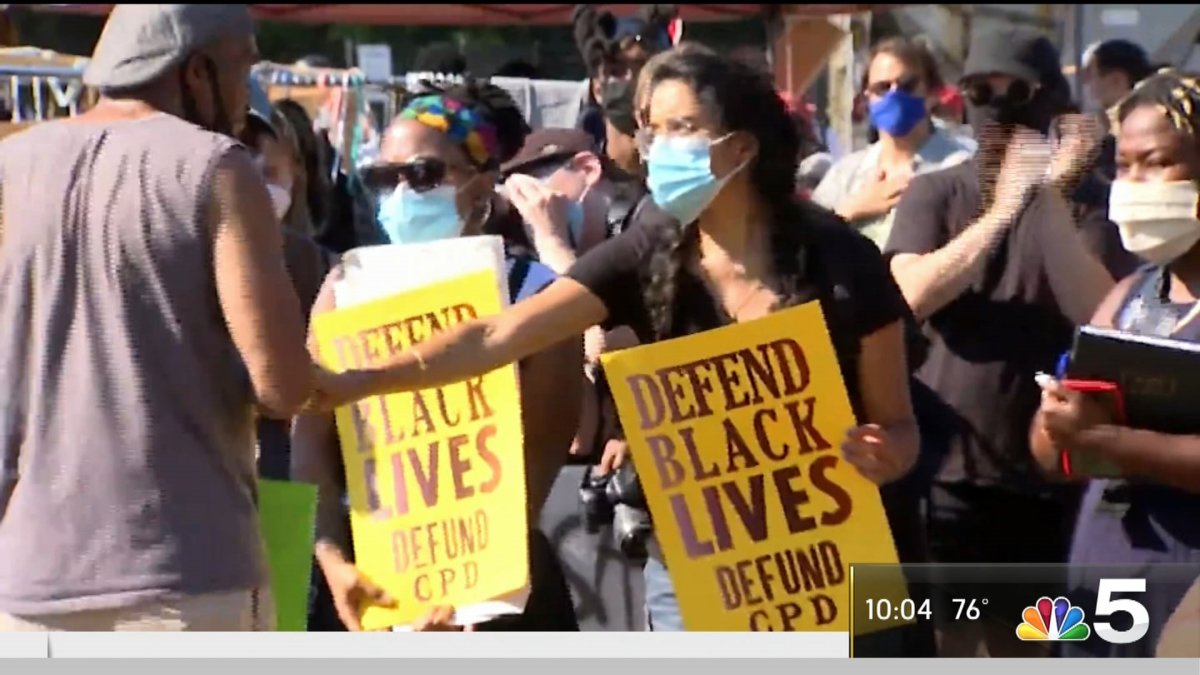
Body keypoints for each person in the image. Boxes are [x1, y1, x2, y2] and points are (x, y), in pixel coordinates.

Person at [309, 47, 920, 633]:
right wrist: (356, 381)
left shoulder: (842, 262)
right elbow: (498, 334)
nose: (657, 150)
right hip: (694, 571)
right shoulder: (648, 245)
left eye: (682, 128)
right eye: (651, 130)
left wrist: (886, 450)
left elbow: (901, 429)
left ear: (740, 147)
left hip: (833, 566)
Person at [0, 4, 311, 631]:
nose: (240, 104)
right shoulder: (216, 166)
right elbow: (281, 385)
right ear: (196, 72)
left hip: (27, 570)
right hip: (184, 568)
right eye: (241, 68)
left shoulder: (14, 163)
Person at [293, 81, 583, 632]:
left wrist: (470, 597)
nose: (400, 194)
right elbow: (311, 446)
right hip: (374, 589)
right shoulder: (344, 290)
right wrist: (333, 561)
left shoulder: (537, 298)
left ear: (482, 186)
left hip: (500, 600)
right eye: (382, 178)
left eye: (422, 175)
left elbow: (537, 465)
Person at [884, 26, 1117, 656]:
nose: (997, 102)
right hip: (945, 476)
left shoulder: (1092, 203)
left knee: (1038, 650)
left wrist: (1041, 199)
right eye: (981, 89)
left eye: (1015, 90)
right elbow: (909, 295)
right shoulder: (938, 191)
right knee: (950, 646)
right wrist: (999, 213)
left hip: (1050, 480)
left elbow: (1100, 314)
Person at [1031, 69, 1200, 658]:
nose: (1133, 183)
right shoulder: (1129, 295)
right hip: (1102, 587)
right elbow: (1052, 453)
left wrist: (1108, 437)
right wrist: (1059, 423)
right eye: (1123, 165)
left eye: (1155, 162)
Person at [812, 37, 975, 249]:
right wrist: (851, 210)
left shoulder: (962, 167)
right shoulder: (845, 174)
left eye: (907, 85)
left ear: (933, 94)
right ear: (867, 99)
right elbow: (805, 247)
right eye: (882, 88)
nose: (894, 95)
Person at [573, 4, 675, 174]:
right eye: (617, 70)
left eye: (643, 69)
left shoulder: (681, 174)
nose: (631, 79)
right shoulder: (577, 175)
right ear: (597, 88)